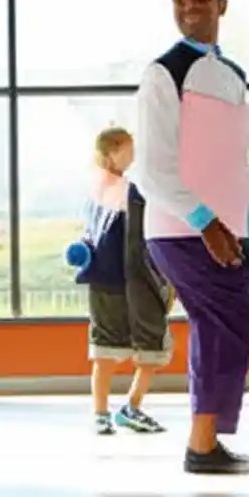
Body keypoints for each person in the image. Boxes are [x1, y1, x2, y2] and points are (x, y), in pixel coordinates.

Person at [132, 0, 249, 475]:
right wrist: (207, 221)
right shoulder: (164, 72)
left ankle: (206, 441)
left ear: (221, 6)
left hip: (224, 228)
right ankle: (202, 445)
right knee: (224, 327)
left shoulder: (230, 73)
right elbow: (151, 169)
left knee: (225, 328)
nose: (191, 6)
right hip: (187, 227)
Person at [74, 126, 174, 436]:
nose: (133, 154)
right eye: (127, 148)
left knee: (112, 348)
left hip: (107, 279)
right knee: (144, 347)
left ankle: (111, 412)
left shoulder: (96, 189)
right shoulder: (131, 191)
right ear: (111, 153)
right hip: (129, 280)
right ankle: (122, 409)